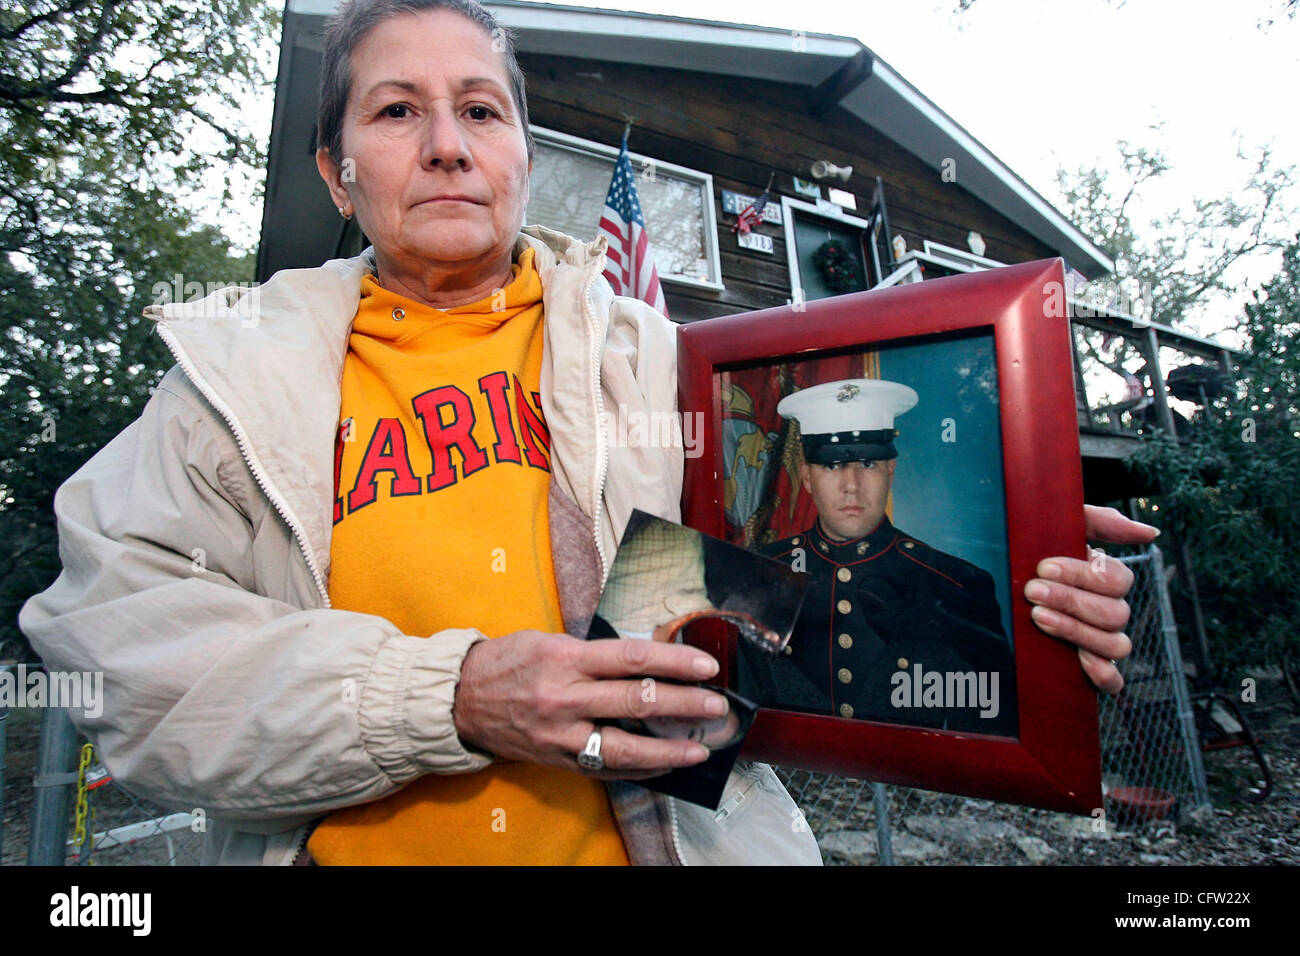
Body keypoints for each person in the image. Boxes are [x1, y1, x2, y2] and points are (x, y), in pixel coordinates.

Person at [18, 0, 1148, 866]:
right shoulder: (234, 383)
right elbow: (119, 649)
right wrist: (450, 695)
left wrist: (1018, 587)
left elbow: (777, 601)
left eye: (481, 108)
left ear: (518, 149)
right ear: (337, 171)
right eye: (397, 110)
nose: (447, 144)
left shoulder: (664, 363)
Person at [739, 378, 1017, 734]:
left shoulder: (956, 584)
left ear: (891, 470)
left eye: (868, 464)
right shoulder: (761, 573)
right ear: (807, 477)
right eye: (832, 466)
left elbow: (994, 731)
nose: (851, 484)